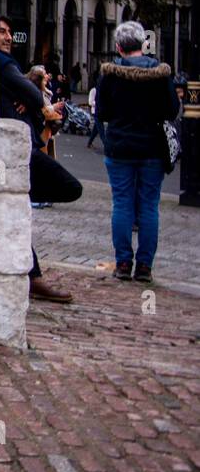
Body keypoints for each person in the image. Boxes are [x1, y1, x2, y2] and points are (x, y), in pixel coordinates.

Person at [0, 14, 78, 303]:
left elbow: (26, 94)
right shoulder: (0, 62)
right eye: (1, 32)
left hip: (12, 148)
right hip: (15, 151)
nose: (7, 37)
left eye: (9, 32)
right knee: (68, 187)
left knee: (11, 209)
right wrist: (33, 99)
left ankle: (32, 275)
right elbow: (32, 93)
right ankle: (33, 276)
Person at [95, 20, 179, 284]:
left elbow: (103, 112)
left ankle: (122, 262)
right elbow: (171, 110)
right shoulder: (160, 73)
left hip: (120, 146)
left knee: (121, 203)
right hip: (152, 146)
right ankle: (144, 266)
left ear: (119, 47)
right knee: (149, 206)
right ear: (144, 44)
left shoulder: (110, 74)